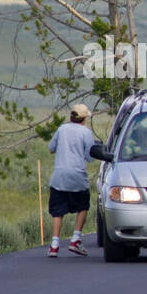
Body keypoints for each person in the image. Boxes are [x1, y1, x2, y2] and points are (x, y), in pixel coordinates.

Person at [46, 104, 96, 257]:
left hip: (59, 176)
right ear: (84, 118)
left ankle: (54, 245)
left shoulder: (62, 129)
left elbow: (51, 148)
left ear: (71, 116)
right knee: (83, 205)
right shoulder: (86, 132)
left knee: (57, 211)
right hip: (77, 175)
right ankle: (75, 239)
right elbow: (90, 156)